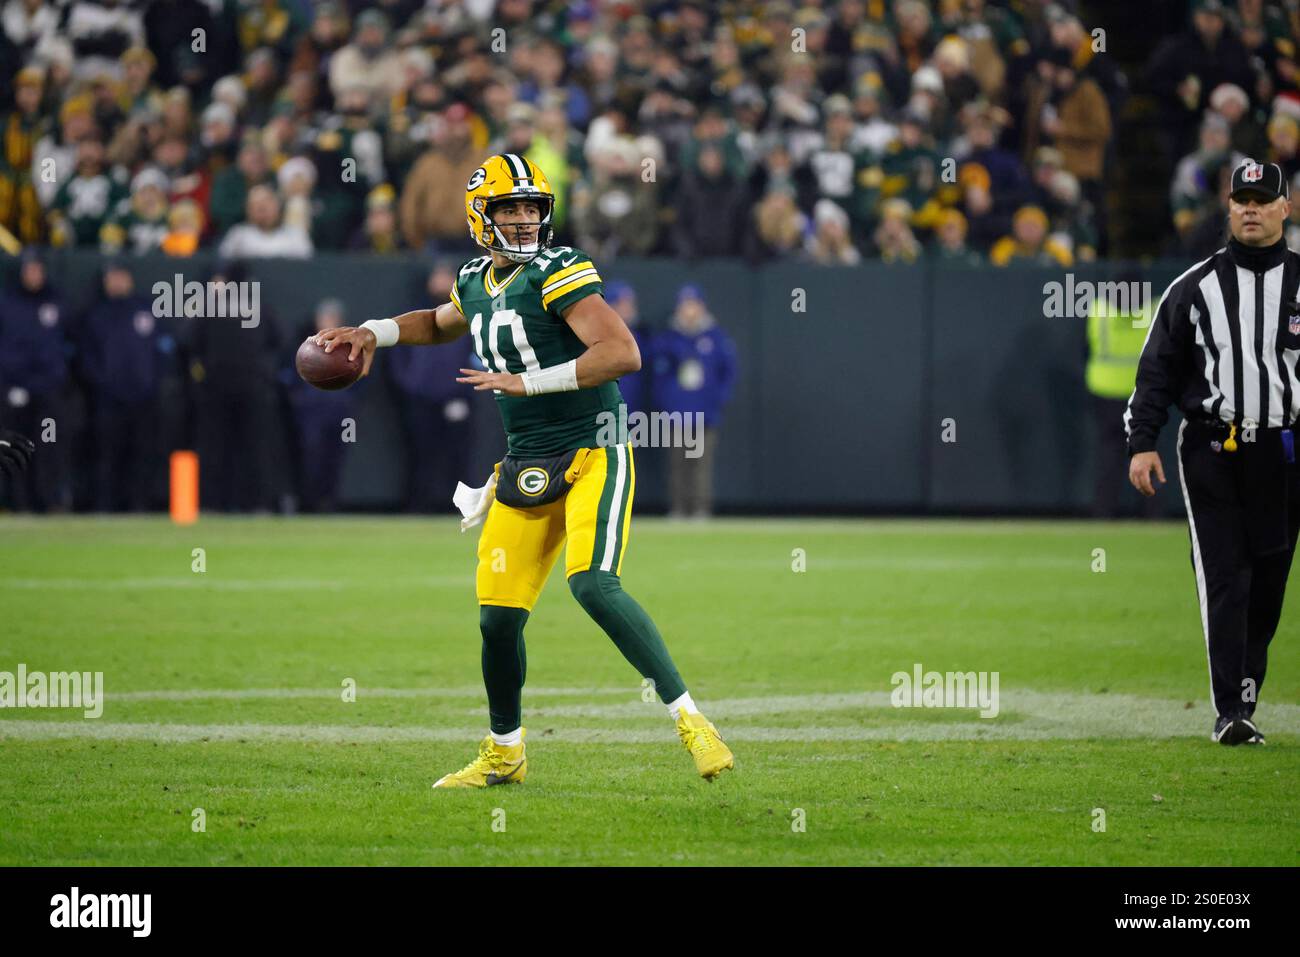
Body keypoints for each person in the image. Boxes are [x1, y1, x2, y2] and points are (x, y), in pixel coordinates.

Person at [316, 153, 734, 786]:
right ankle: (505, 752)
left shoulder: (559, 269)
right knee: (498, 616)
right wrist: (375, 331)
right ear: (481, 216)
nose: (522, 219)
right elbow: (437, 322)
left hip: (595, 447)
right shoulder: (476, 278)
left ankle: (693, 723)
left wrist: (525, 381)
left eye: (531, 208)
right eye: (508, 208)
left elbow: (621, 353)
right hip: (525, 462)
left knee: (593, 585)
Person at [1126, 159, 1300, 746]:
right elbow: (1156, 371)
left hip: (1284, 448)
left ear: (1285, 207)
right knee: (1227, 576)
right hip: (1214, 446)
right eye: (1241, 199)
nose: (1251, 208)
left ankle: (1245, 693)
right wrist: (1141, 443)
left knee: (1271, 581)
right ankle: (1231, 710)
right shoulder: (1194, 286)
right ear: (1228, 208)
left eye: (1262, 198)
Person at [651, 284, 737, 519]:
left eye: (693, 304)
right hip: (676, 414)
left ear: (701, 307)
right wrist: (667, 404)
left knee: (701, 464)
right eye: (684, 305)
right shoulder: (668, 339)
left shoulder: (716, 337)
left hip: (704, 414)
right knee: (677, 464)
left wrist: (715, 402)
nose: (689, 310)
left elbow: (727, 373)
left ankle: (701, 509)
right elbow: (659, 377)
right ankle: (678, 508)